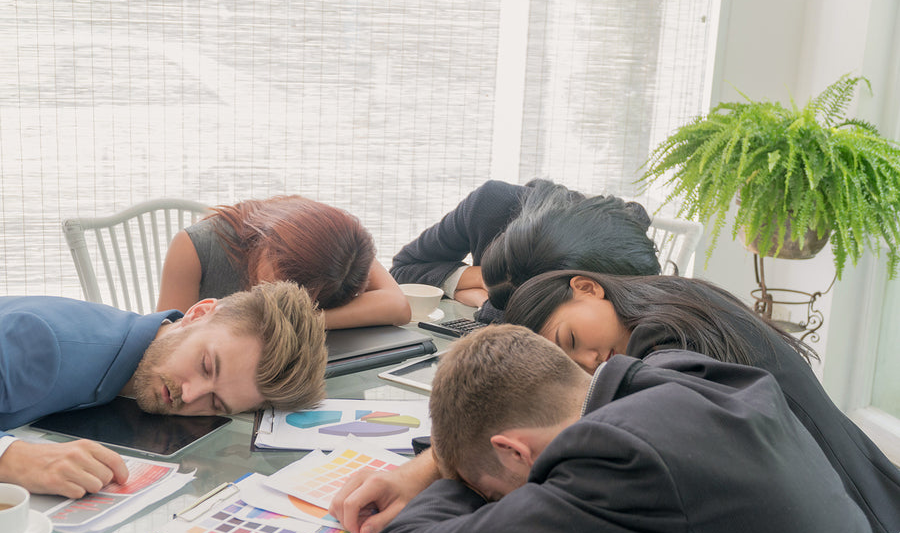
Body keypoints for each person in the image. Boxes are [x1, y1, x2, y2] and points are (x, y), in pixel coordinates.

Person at [364, 325, 892, 533]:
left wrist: (452, 476)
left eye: (491, 497)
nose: (498, 506)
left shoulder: (617, 461)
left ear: (514, 452)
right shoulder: (680, 375)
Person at [502, 270, 900, 533]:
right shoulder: (673, 298)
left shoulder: (666, 350)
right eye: (570, 363)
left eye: (571, 338)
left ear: (587, 287)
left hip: (840, 515)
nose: (587, 361)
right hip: (859, 486)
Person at [0, 280, 327, 499]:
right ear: (197, 313)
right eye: (206, 365)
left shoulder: (131, 363)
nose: (190, 394)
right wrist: (13, 458)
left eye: (215, 402)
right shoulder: (39, 343)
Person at [389, 179, 660, 322]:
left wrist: (487, 303)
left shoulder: (619, 264)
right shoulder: (491, 205)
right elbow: (402, 270)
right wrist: (482, 280)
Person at [157, 195, 410, 329]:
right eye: (275, 275)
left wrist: (298, 318)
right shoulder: (195, 248)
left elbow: (397, 305)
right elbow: (163, 343)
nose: (271, 291)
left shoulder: (340, 247)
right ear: (269, 239)